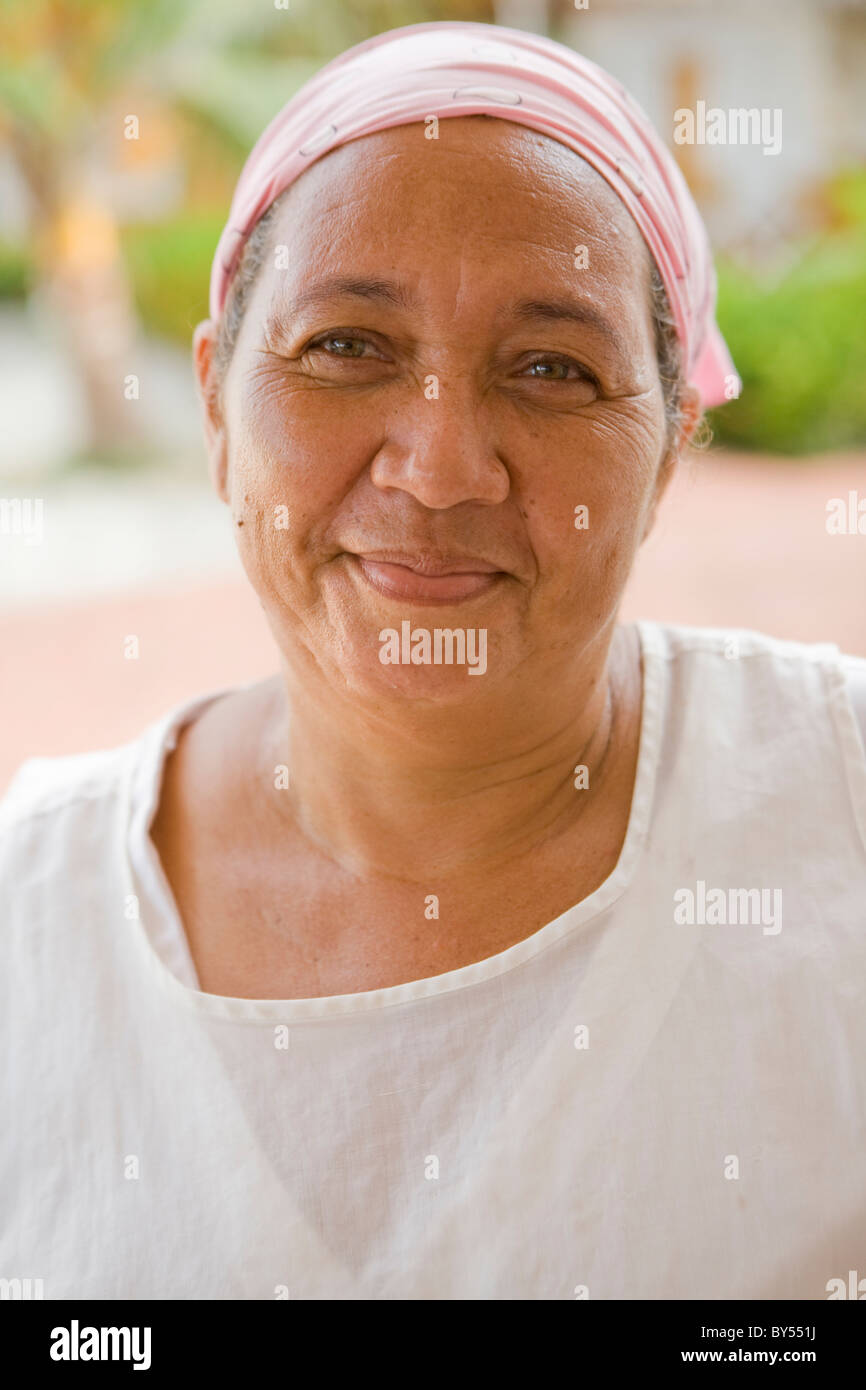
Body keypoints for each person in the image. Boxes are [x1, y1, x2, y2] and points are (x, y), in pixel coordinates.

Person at [2, 21, 865, 1301]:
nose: (441, 464)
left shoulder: (834, 809)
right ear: (216, 409)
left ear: (669, 450)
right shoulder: (33, 920)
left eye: (551, 367)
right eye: (346, 345)